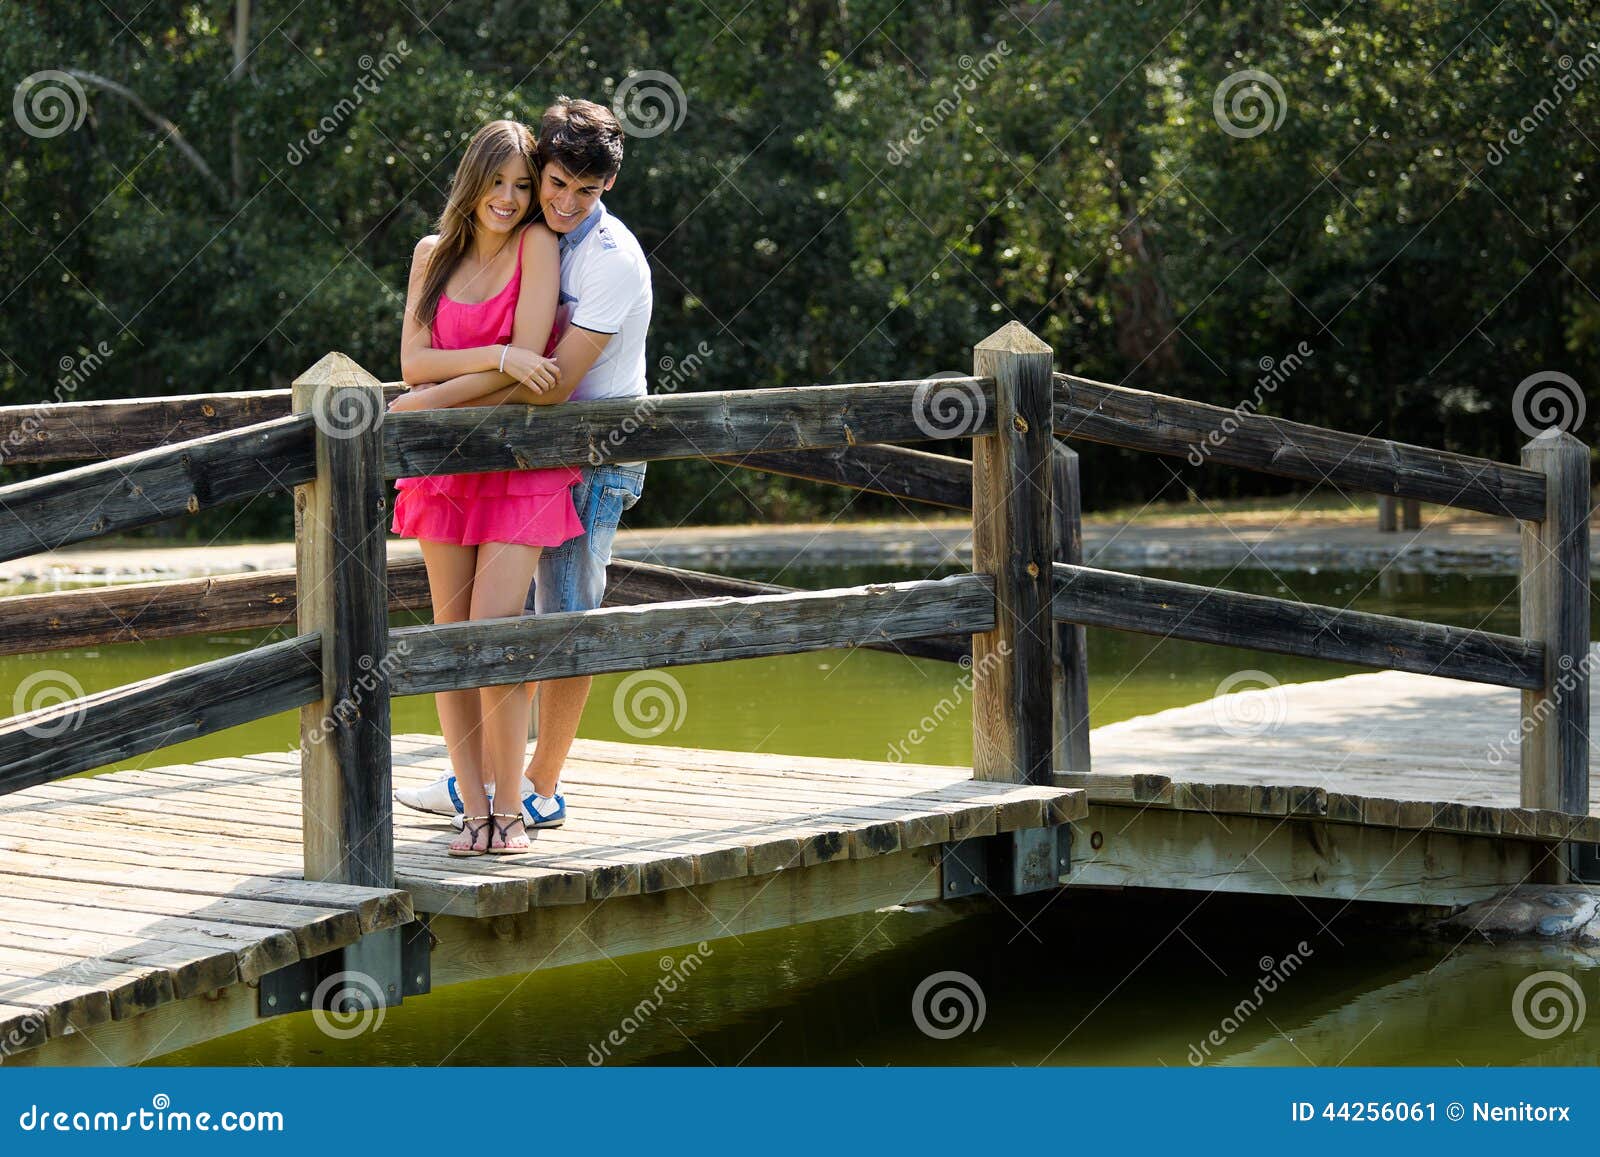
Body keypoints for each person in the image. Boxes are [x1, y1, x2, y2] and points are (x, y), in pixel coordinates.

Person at [397, 96, 653, 834]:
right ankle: (477, 785)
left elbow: (552, 379)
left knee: (564, 619)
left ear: (607, 189)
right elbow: (431, 359)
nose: (564, 201)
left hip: (593, 448)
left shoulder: (609, 260)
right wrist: (472, 373)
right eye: (556, 183)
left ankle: (537, 788)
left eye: (586, 190)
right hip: (489, 451)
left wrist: (430, 398)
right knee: (477, 632)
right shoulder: (516, 235)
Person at [387, 119, 583, 857]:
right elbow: (412, 360)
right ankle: (471, 808)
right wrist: (496, 357)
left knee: (495, 641)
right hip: (443, 471)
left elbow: (533, 361)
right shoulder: (431, 255)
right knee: (450, 642)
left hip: (518, 470)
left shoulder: (538, 246)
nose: (509, 198)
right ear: (472, 181)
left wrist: (431, 399)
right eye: (497, 182)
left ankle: (512, 807)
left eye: (522, 186)